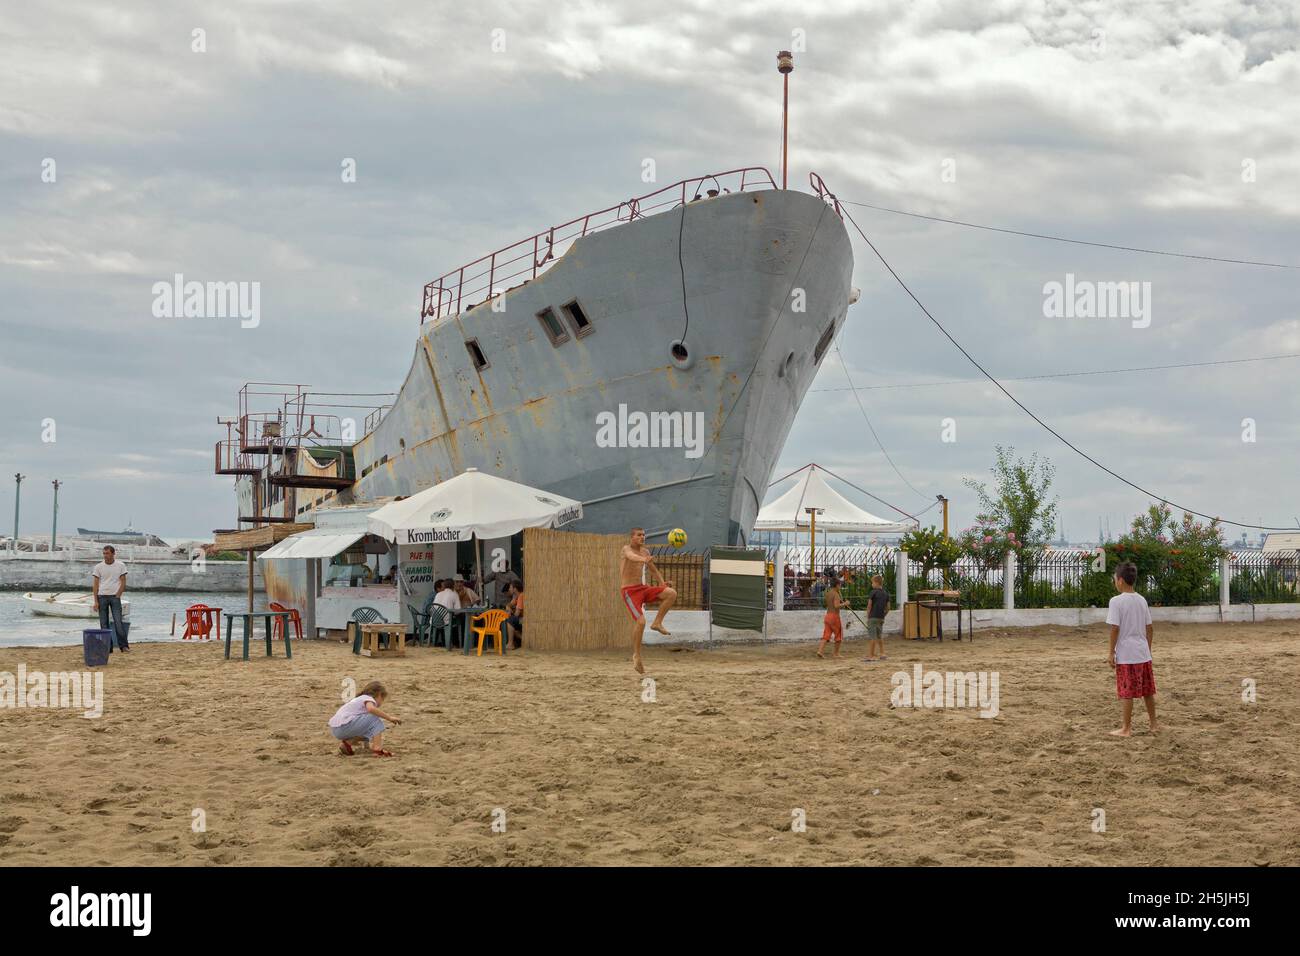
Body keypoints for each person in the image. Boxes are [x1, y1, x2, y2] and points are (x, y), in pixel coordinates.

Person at [1106, 561, 1157, 737]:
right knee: (1147, 690)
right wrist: (1147, 650)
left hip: (1127, 654)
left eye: (1114, 579)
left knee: (1126, 692)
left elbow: (1115, 628)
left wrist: (1111, 652)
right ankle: (1154, 724)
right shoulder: (1141, 599)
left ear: (1120, 580)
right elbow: (1149, 628)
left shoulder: (1116, 602)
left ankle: (1126, 728)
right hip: (1142, 652)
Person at [619, 527, 677, 674]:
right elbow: (631, 557)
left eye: (644, 535)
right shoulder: (626, 549)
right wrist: (644, 559)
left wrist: (662, 583)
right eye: (639, 535)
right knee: (641, 622)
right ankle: (637, 656)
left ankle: (657, 623)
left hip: (642, 588)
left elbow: (653, 570)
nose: (642, 537)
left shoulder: (645, 552)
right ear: (632, 537)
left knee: (671, 593)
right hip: (629, 592)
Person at [328, 680, 401, 757]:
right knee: (375, 717)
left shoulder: (358, 699)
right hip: (345, 725)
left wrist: (367, 747)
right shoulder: (368, 698)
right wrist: (389, 718)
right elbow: (371, 709)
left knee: (370, 729)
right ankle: (377, 749)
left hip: (337, 729)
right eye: (382, 699)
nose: (381, 703)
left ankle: (347, 744)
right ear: (379, 695)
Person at [91, 545, 129, 653]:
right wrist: (95, 601)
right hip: (102, 596)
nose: (105, 556)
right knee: (104, 624)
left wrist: (118, 594)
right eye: (104, 553)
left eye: (107, 553)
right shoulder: (98, 567)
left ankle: (124, 646)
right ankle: (108, 647)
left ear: (113, 554)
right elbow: (95, 585)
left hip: (114, 597)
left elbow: (123, 581)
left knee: (118, 622)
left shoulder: (120, 565)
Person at [816, 579, 847, 659]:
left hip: (828, 616)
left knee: (826, 635)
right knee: (838, 635)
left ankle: (820, 651)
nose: (840, 587)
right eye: (840, 585)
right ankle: (836, 654)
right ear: (837, 585)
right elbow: (836, 606)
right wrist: (845, 604)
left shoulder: (828, 593)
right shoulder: (836, 594)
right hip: (834, 617)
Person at [865, 574, 889, 662]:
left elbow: (869, 606)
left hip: (873, 617)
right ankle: (883, 653)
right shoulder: (886, 593)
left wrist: (868, 617)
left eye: (872, 582)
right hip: (881, 618)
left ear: (876, 583)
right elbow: (888, 608)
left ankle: (871, 655)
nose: (872, 584)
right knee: (879, 636)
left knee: (872, 637)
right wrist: (883, 615)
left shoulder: (873, 592)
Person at [504, 581, 524, 649]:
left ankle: (510, 644)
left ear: (515, 589)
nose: (509, 589)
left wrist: (510, 612)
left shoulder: (521, 596)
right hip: (520, 618)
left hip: (523, 619)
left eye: (510, 587)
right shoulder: (516, 597)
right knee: (508, 620)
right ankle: (518, 641)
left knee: (510, 620)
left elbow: (517, 614)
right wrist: (509, 608)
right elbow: (509, 605)